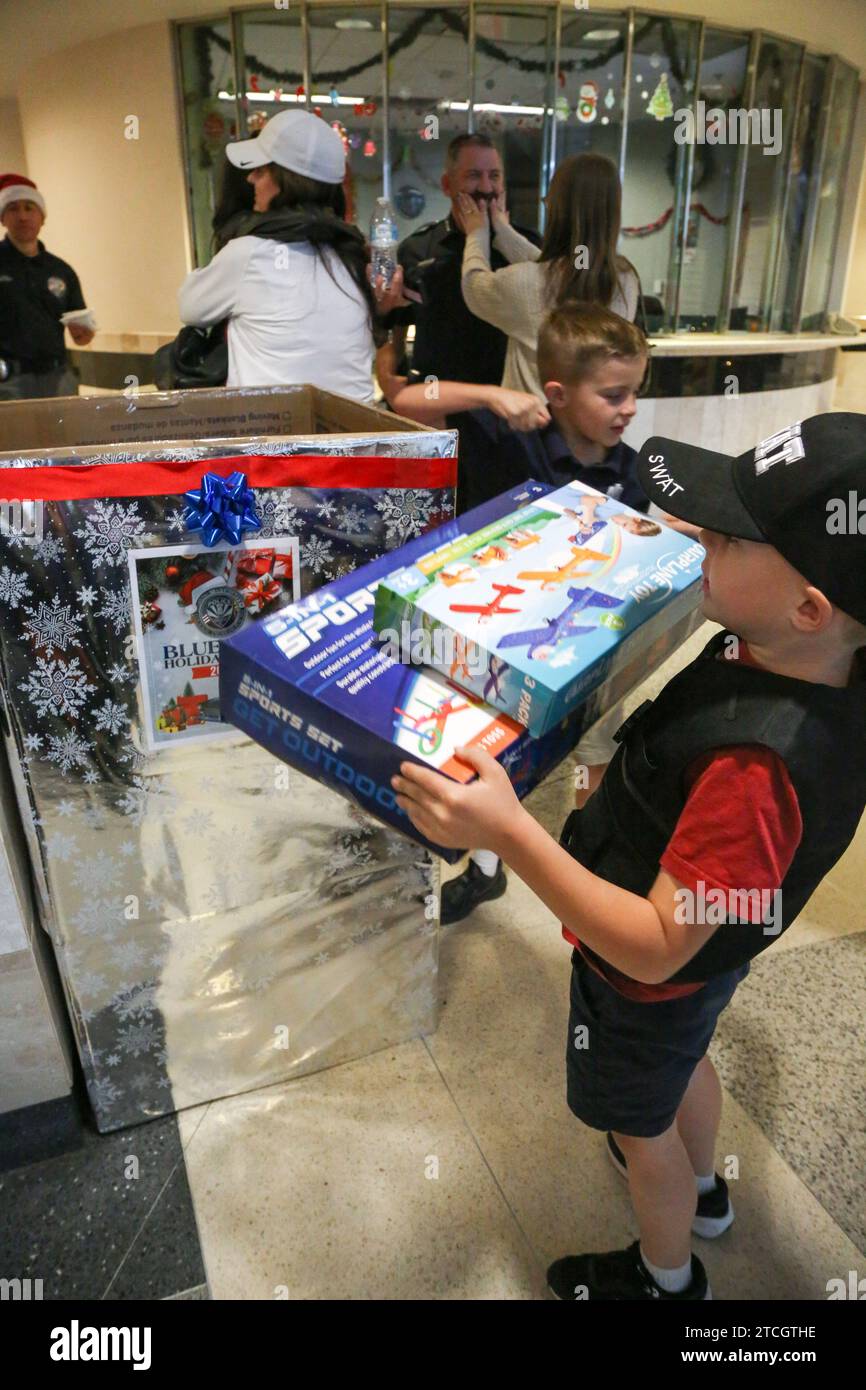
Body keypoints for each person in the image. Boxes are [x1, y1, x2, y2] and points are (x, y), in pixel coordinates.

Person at [391, 412, 866, 1300]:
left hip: (649, 984)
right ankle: (708, 1192)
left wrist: (508, 833)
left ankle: (665, 1275)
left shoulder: (757, 769)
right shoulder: (796, 655)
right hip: (696, 986)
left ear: (809, 606)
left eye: (723, 537)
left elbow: (653, 942)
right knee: (687, 1062)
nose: (699, 543)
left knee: (641, 1128)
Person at [396, 303, 660, 924]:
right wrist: (491, 396)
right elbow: (407, 401)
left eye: (635, 393)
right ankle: (487, 868)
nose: (629, 408)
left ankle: (590, 866)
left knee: (595, 751)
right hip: (501, 636)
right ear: (558, 395)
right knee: (495, 752)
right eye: (614, 394)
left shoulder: (630, 467)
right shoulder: (511, 445)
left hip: (591, 642)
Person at [178, 110, 380, 398]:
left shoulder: (249, 253)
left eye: (260, 170)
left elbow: (190, 306)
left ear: (285, 180)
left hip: (278, 436)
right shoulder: (352, 255)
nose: (250, 179)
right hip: (355, 434)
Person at [375, 133, 541, 405]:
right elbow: (395, 328)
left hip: (511, 403)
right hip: (438, 402)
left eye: (495, 176)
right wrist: (386, 376)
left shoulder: (528, 246)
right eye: (474, 175)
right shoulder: (418, 249)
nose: (486, 187)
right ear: (446, 184)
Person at [458, 153, 641, 397]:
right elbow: (559, 272)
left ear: (557, 209)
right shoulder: (624, 279)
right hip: (590, 429)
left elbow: (474, 285)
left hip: (532, 429)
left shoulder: (527, 283)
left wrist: (477, 233)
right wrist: (503, 231)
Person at [0, 173, 94, 401]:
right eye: (13, 208)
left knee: (65, 436)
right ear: (3, 218)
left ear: (42, 217)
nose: (22, 216)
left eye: (29, 207)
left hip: (58, 378)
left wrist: (83, 334)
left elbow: (80, 332)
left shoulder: (61, 270)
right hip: (8, 382)